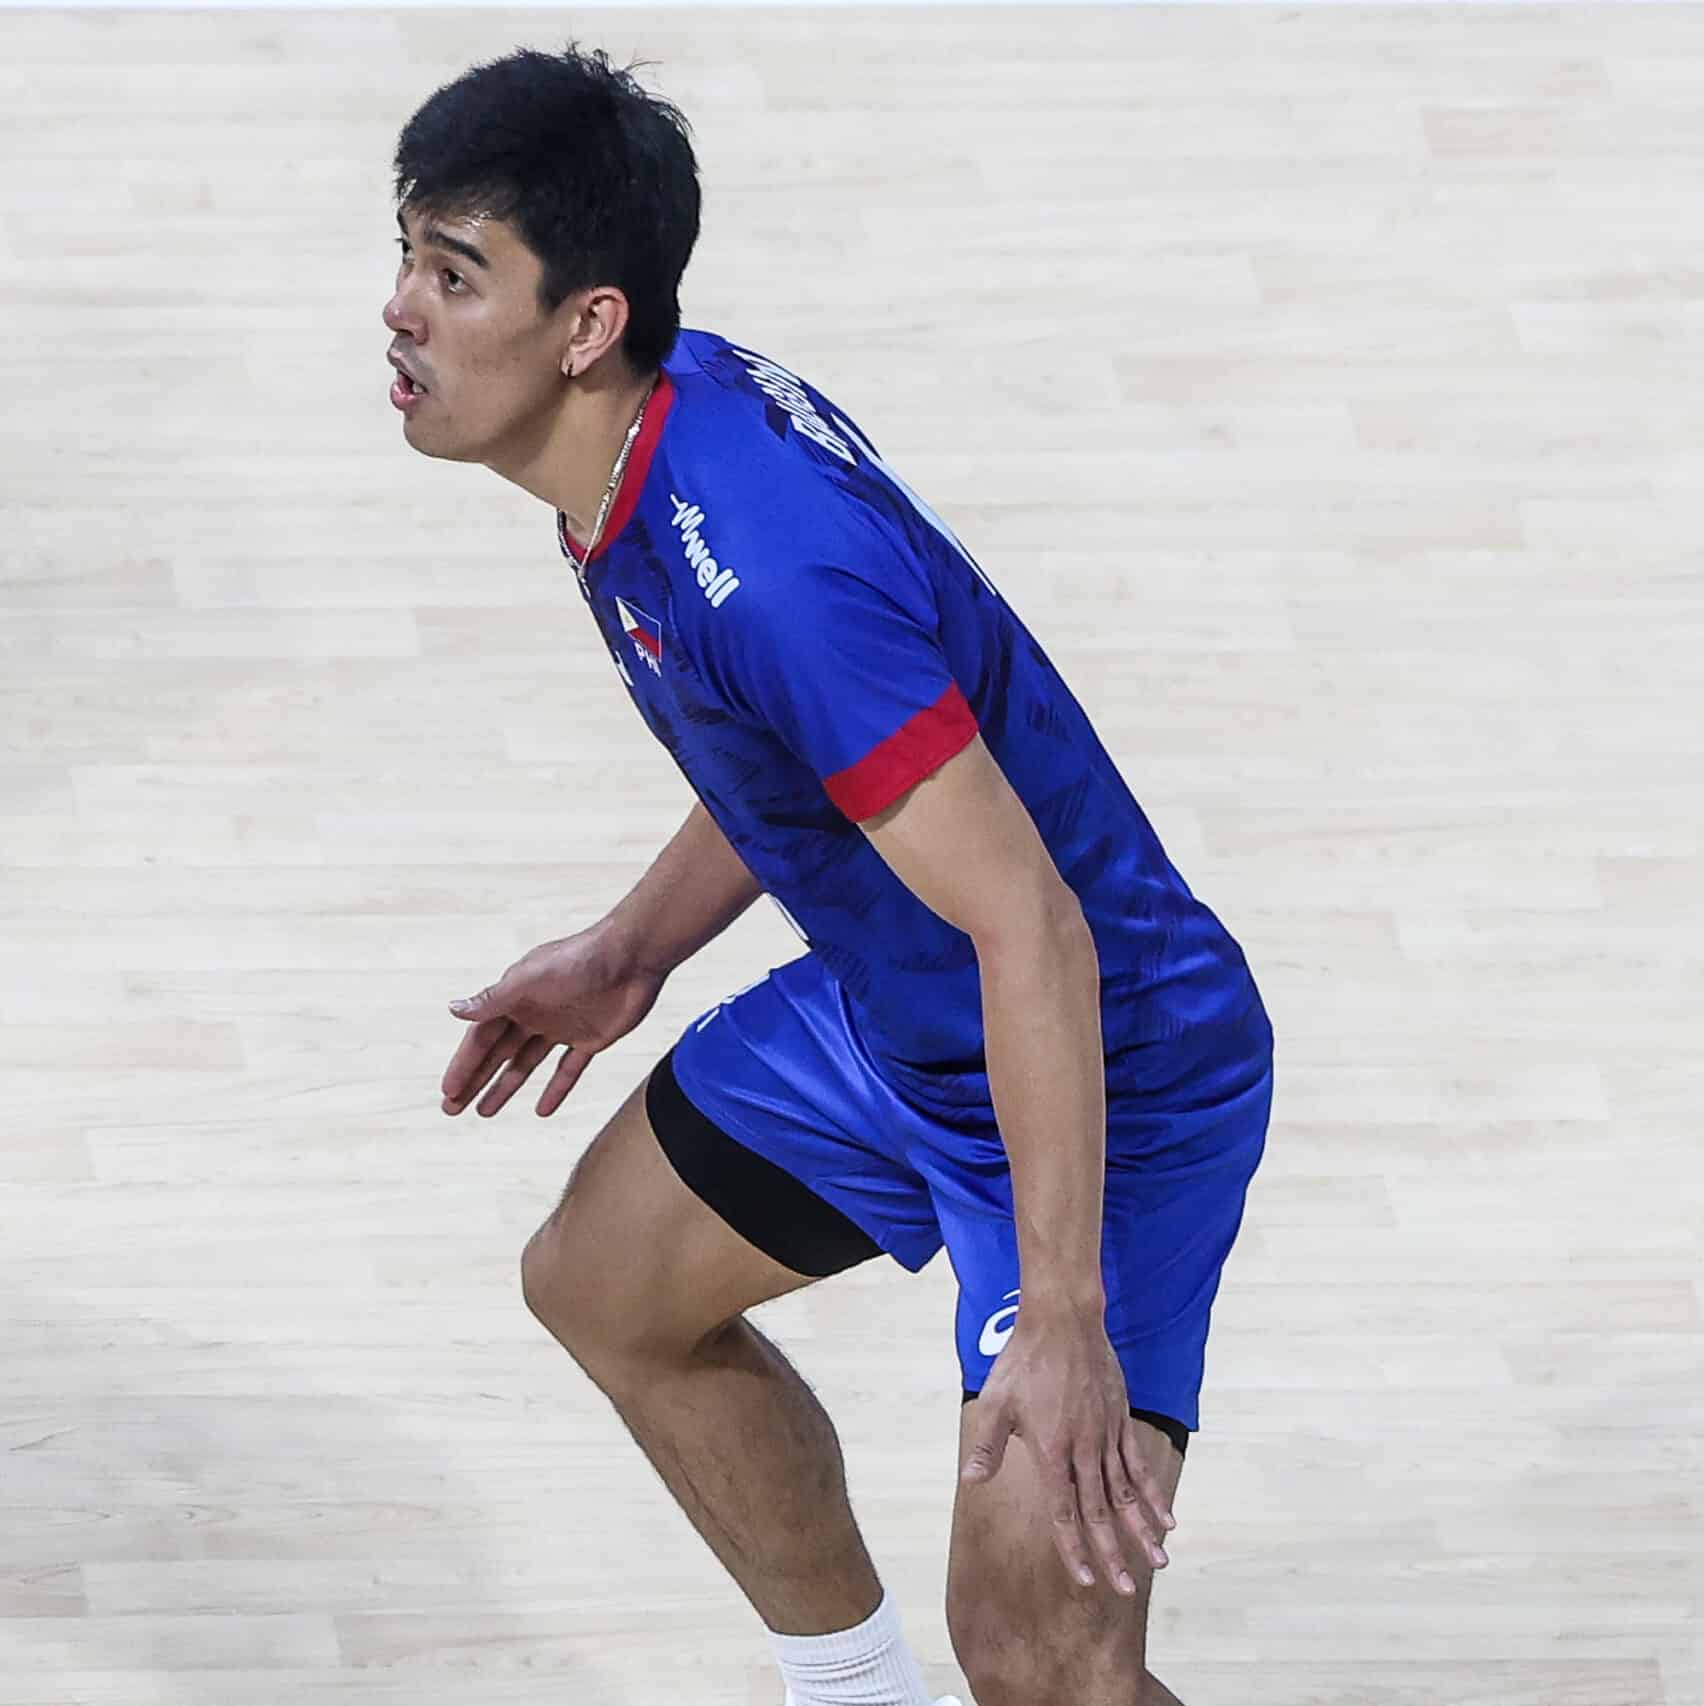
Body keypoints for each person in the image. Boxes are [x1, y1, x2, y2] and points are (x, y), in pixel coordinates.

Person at [383, 44, 1275, 1706]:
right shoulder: (651, 446)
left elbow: (1034, 926)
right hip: (902, 1017)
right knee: (607, 1285)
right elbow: (815, 753)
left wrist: (1064, 1311)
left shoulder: (766, 565)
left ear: (586, 323)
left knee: (1042, 1658)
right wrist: (633, 948)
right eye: (409, 260)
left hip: (1102, 1065)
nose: (402, 313)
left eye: (455, 275)